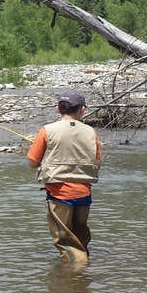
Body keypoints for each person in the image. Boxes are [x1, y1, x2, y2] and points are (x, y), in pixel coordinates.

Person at [26, 90, 102, 264]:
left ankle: (73, 276)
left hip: (59, 194)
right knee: (80, 236)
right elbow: (97, 163)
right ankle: (82, 281)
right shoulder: (91, 132)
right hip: (84, 194)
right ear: (81, 110)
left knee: (66, 242)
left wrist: (45, 161)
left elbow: (31, 162)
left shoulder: (47, 131)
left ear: (57, 109)